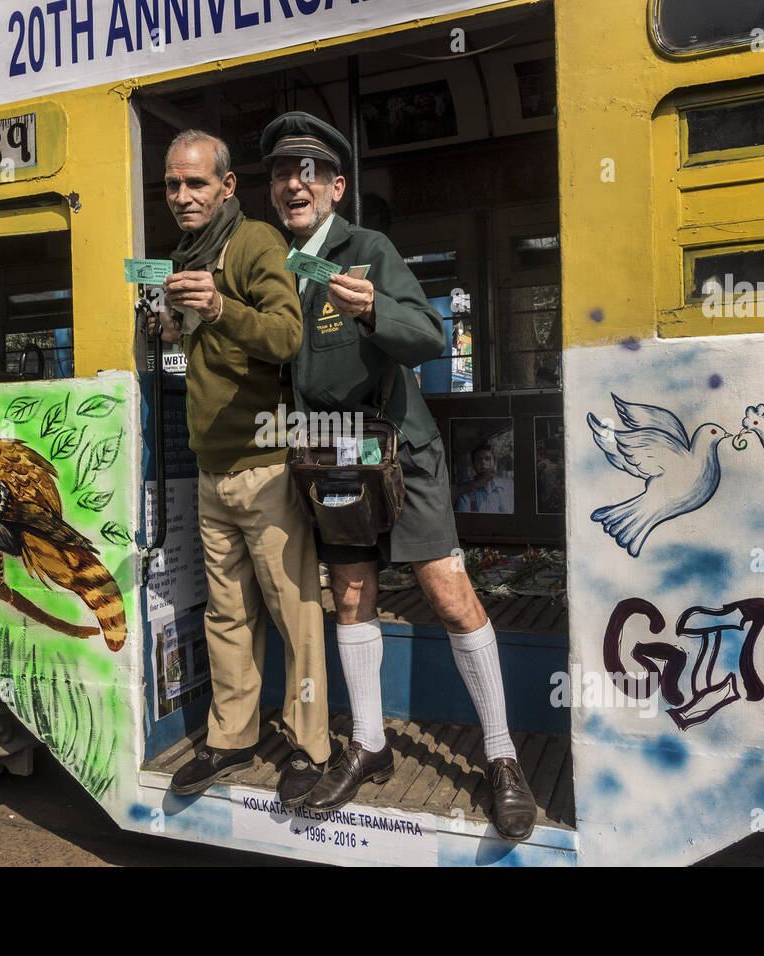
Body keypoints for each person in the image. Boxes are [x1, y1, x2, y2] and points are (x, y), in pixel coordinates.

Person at [261, 111, 537, 841]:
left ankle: (504, 757)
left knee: (448, 594)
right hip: (330, 454)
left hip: (399, 452)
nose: (295, 183)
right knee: (352, 597)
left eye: (309, 172)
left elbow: (428, 336)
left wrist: (378, 307)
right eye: (284, 173)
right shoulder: (279, 265)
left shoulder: (366, 249)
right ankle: (372, 747)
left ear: (335, 186)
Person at [148, 130, 331, 806]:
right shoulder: (185, 255)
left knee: (294, 613)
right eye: (172, 184)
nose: (182, 195)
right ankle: (232, 738)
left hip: (266, 462)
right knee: (226, 615)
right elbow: (212, 347)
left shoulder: (255, 242)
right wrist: (174, 330)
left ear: (227, 186)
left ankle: (312, 746)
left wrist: (220, 307)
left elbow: (286, 337)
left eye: (196, 183)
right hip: (212, 467)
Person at [454, 441, 515, 514]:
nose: (483, 462)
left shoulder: (504, 488)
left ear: (494, 462)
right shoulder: (466, 488)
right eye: (479, 459)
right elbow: (465, 518)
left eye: (487, 458)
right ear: (473, 465)